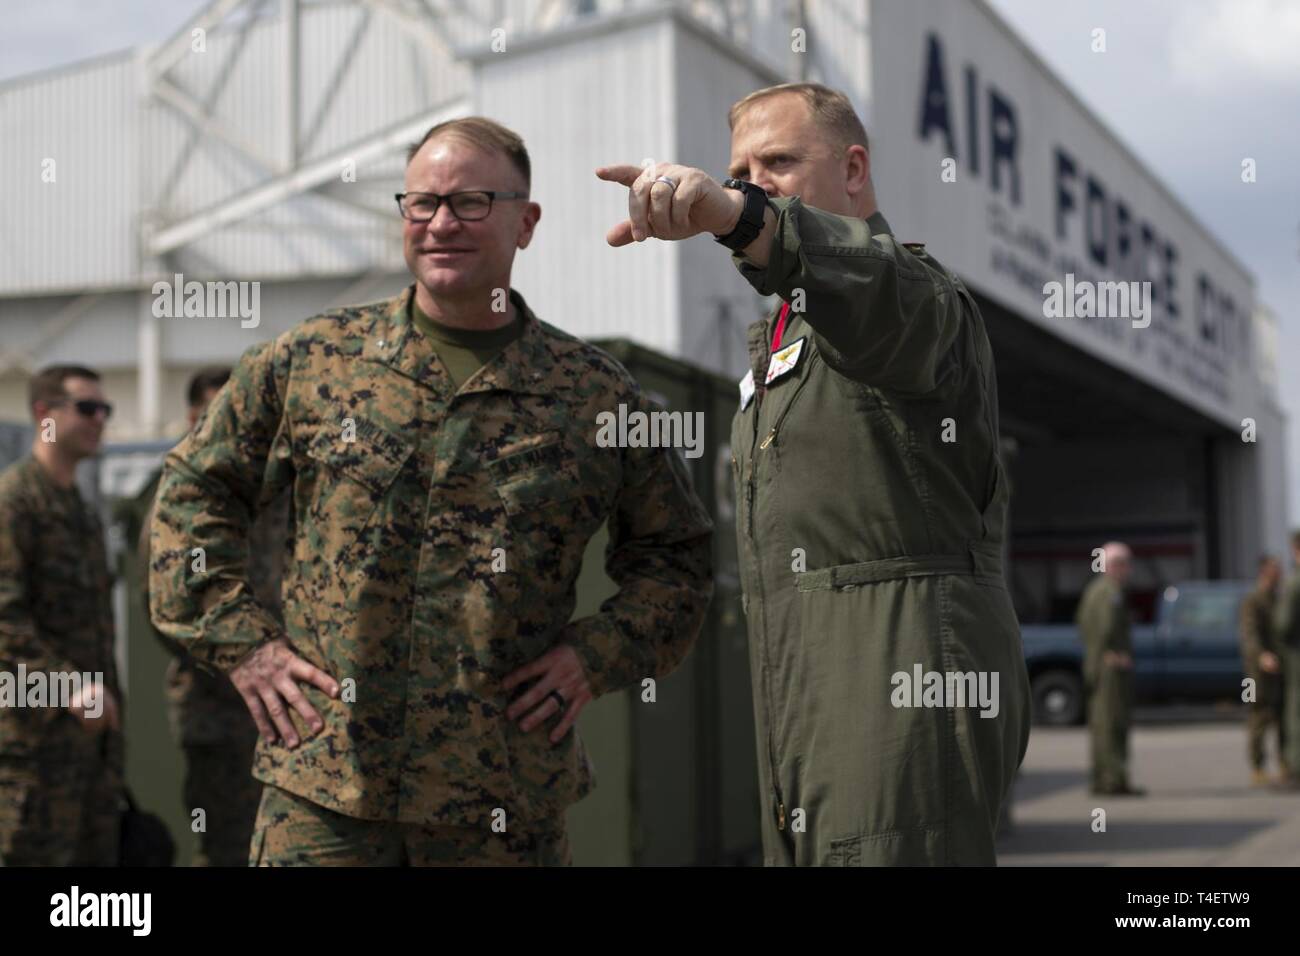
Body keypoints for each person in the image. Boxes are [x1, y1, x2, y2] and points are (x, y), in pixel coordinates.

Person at [149, 116, 714, 865]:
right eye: (422, 203)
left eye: (472, 202)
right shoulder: (313, 361)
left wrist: (598, 655)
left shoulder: (596, 398)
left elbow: (677, 558)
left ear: (527, 222)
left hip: (502, 804)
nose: (442, 223)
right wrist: (244, 646)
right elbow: (193, 489)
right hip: (326, 795)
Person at [597, 81, 1030, 865]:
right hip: (804, 697)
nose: (752, 180)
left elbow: (865, 292)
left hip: (900, 693)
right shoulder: (783, 339)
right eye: (741, 169)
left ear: (853, 168)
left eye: (781, 161)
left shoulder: (912, 297)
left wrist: (739, 217)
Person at [123, 367, 281, 865]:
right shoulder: (183, 499)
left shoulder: (273, 492)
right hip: (222, 716)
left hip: (290, 715)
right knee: (228, 848)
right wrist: (242, 658)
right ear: (194, 417)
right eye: (221, 412)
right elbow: (169, 610)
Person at [0, 365, 125, 864]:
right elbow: (4, 622)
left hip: (92, 749)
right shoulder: (14, 504)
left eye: (105, 410)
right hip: (35, 749)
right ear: (44, 414)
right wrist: (69, 688)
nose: (100, 420)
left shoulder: (82, 512)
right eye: (87, 408)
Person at [1077, 541, 1143, 797]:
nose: (1129, 570)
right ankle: (1112, 780)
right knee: (1112, 723)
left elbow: (1083, 624)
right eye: (1126, 564)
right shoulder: (1110, 592)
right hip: (1110, 670)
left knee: (1102, 723)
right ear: (1115, 565)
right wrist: (1112, 654)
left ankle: (1105, 777)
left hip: (1098, 665)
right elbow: (1105, 628)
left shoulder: (1095, 590)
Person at [1239, 555, 1285, 786]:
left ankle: (1285, 763)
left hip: (1277, 670)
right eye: (1275, 569)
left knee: (1280, 716)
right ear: (1264, 572)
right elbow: (1249, 634)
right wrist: (1262, 655)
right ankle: (1257, 767)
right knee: (1257, 718)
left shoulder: (1278, 598)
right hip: (1254, 674)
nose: (1279, 573)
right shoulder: (1253, 600)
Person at [1273, 531, 1300, 788]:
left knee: (1294, 712)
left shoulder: (1293, 584)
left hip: (1294, 659)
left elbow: (1283, 624)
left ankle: (1295, 768)